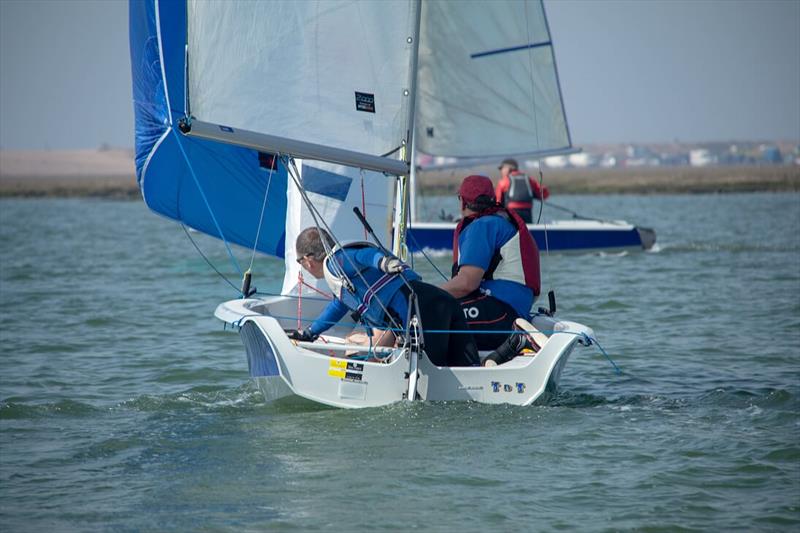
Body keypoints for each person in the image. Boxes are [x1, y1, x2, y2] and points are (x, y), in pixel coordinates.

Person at [289, 227, 479, 367]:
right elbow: (337, 307)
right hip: (440, 300)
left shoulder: (335, 262)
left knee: (433, 373)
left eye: (299, 261)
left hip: (420, 308)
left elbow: (364, 255)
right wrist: (310, 333)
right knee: (467, 370)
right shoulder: (341, 279)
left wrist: (383, 263)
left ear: (308, 260)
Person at [441, 175, 542, 362]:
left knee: (430, 312)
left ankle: (518, 341)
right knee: (441, 312)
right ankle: (478, 362)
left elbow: (467, 283)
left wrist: (427, 294)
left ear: (462, 202)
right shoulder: (500, 222)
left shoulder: (483, 225)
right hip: (511, 311)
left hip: (503, 313)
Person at [494, 158, 549, 223]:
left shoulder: (504, 182)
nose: (501, 171)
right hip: (527, 214)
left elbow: (497, 202)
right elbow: (544, 194)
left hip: (511, 214)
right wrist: (533, 195)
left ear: (508, 168)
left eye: (502, 168)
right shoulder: (529, 180)